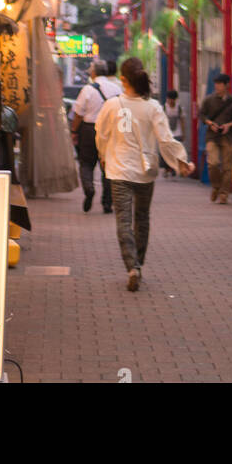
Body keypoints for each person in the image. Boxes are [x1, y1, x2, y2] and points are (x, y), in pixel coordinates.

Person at [95, 57, 195, 291]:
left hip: (119, 170)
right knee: (142, 218)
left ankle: (131, 266)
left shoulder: (111, 105)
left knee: (123, 220)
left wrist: (102, 155)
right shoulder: (153, 107)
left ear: (123, 79)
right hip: (145, 171)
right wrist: (182, 161)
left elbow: (101, 134)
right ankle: (138, 265)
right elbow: (166, 139)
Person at [70, 58, 121, 214]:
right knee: (108, 166)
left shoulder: (88, 89)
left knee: (86, 163)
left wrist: (74, 131)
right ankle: (107, 203)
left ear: (93, 72)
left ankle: (89, 189)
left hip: (89, 130)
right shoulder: (117, 88)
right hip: (111, 130)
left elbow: (78, 114)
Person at [199, 72, 232, 204]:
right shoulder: (209, 100)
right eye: (216, 84)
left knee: (227, 167)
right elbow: (202, 115)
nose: (217, 87)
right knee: (212, 163)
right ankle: (216, 187)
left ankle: (224, 193)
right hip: (212, 135)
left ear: (226, 85)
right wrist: (210, 123)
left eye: (220, 84)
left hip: (228, 137)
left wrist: (229, 125)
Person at [161, 90, 185, 179]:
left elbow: (182, 120)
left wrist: (183, 133)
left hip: (177, 133)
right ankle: (167, 169)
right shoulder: (164, 108)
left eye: (172, 99)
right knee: (167, 152)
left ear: (175, 99)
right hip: (166, 134)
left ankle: (174, 169)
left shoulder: (179, 108)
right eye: (169, 99)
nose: (171, 101)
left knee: (176, 152)